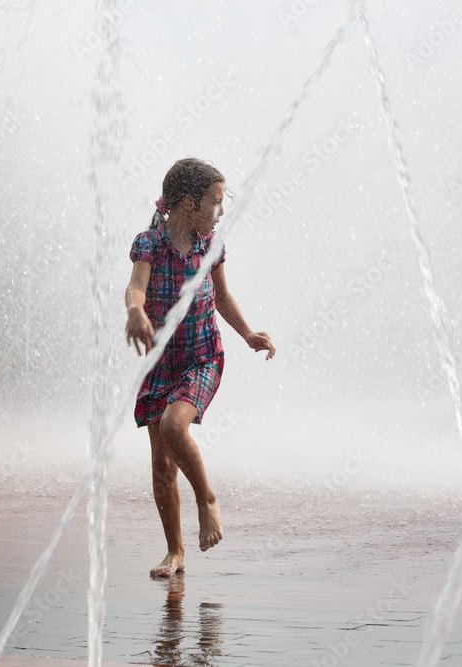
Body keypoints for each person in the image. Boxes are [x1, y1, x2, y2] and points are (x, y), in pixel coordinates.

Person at [125, 158, 275, 577]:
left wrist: (247, 335)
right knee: (161, 466)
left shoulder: (212, 246)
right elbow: (136, 286)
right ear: (189, 204)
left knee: (175, 427)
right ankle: (175, 552)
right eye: (216, 202)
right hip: (161, 363)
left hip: (202, 356)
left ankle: (207, 499)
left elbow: (222, 298)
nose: (221, 211)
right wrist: (135, 311)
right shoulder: (149, 244)